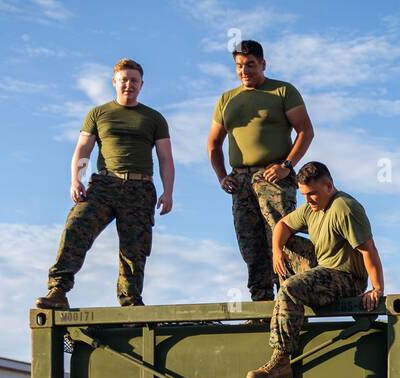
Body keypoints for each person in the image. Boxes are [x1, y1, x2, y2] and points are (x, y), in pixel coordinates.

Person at [36, 58, 174, 311]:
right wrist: (75, 179)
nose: (129, 85)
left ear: (141, 84)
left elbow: (165, 158)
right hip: (104, 183)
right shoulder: (98, 113)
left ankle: (131, 301)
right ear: (114, 82)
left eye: (134, 81)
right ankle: (58, 290)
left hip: (140, 188)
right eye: (124, 80)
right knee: (76, 227)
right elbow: (83, 149)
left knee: (134, 248)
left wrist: (168, 192)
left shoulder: (154, 118)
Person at [247, 161, 384, 378]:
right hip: (323, 270)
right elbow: (282, 225)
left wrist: (377, 289)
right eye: (303, 195)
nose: (308, 200)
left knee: (290, 289)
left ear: (328, 186)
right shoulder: (312, 208)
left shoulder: (345, 208)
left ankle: (281, 361)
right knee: (286, 243)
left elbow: (369, 250)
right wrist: (276, 251)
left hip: (347, 278)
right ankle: (293, 314)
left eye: (312, 194)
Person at [207, 39, 317, 302]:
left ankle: (289, 300)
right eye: (239, 66)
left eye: (250, 65)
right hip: (240, 179)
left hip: (273, 176)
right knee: (250, 244)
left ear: (263, 64)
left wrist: (287, 166)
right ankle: (260, 305)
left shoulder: (282, 91)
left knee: (280, 239)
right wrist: (222, 176)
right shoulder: (226, 99)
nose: (244, 71)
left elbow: (306, 131)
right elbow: (213, 144)